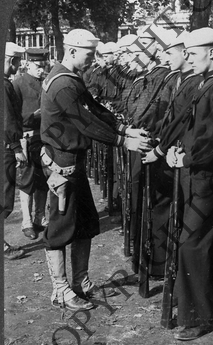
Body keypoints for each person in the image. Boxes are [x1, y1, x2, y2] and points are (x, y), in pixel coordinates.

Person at [40, 29, 151, 310]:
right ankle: (61, 290)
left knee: (86, 224)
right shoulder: (63, 83)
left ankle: (80, 281)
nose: (92, 60)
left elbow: (95, 108)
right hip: (61, 164)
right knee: (60, 228)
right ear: (73, 50)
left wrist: (124, 127)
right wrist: (123, 140)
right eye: (89, 54)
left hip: (72, 161)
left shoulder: (70, 77)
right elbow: (85, 122)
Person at [164, 28, 213, 341]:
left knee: (192, 241)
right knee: (212, 231)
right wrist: (176, 148)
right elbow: (194, 129)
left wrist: (185, 159)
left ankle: (201, 316)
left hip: (209, 174)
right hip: (200, 171)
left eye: (193, 53)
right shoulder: (207, 83)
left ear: (211, 52)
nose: (188, 58)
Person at [13, 47, 50, 240]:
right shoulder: (18, 83)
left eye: (44, 65)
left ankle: (39, 217)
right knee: (27, 181)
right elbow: (11, 115)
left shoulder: (46, 82)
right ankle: (26, 222)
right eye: (37, 65)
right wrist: (31, 116)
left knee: (43, 179)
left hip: (44, 137)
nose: (41, 69)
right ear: (28, 64)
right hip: (26, 138)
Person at [4, 42, 27, 260]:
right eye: (18, 61)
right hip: (5, 148)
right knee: (4, 197)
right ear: (12, 60)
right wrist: (16, 146)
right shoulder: (3, 85)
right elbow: (8, 120)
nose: (19, 66)